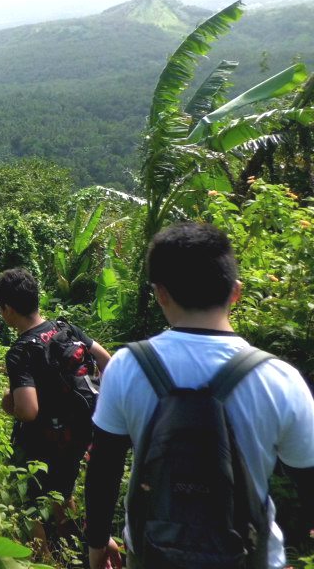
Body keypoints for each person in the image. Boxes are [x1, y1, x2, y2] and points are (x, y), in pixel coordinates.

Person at [85, 223, 314, 569]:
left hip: (152, 556)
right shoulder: (279, 379)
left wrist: (97, 544)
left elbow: (104, 469)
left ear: (160, 293)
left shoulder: (127, 367)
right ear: (235, 292)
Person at [0, 267, 111, 548]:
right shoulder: (65, 328)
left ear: (8, 309)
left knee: (28, 502)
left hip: (43, 443)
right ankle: (71, 548)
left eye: (1, 308)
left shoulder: (21, 351)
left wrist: (7, 398)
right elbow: (108, 361)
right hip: (80, 432)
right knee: (63, 490)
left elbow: (28, 410)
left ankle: (45, 557)